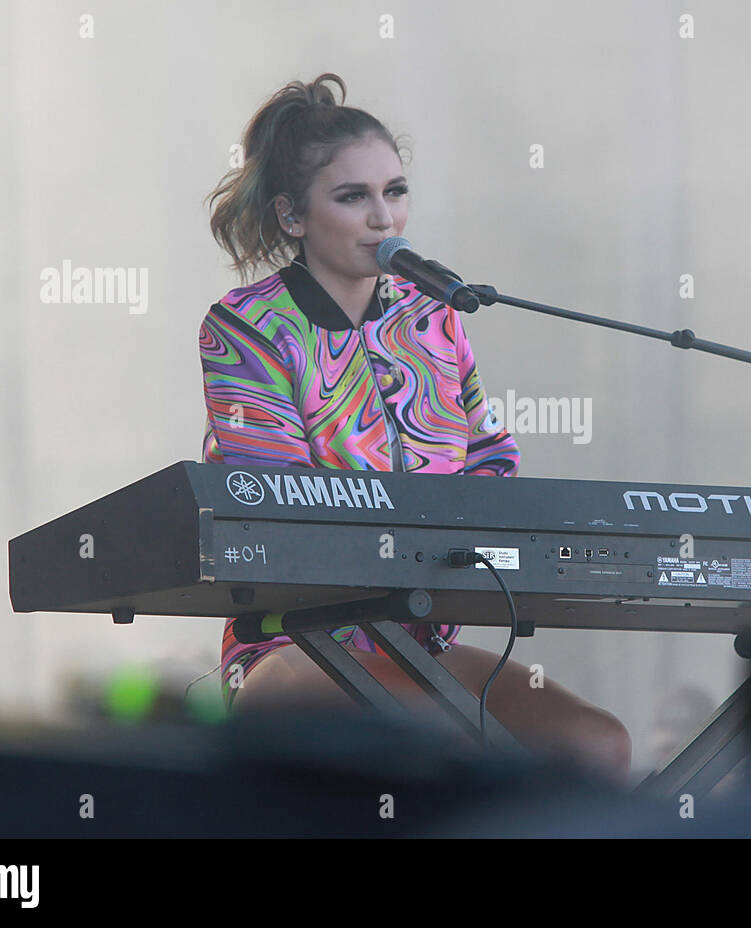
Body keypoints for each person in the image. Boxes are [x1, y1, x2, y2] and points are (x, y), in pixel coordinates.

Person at [198, 72, 631, 783]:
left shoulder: (433, 317)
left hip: (417, 639)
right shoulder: (247, 325)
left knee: (596, 744)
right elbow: (274, 506)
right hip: (292, 648)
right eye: (353, 196)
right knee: (435, 734)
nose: (384, 218)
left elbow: (492, 464)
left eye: (395, 191)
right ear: (292, 216)